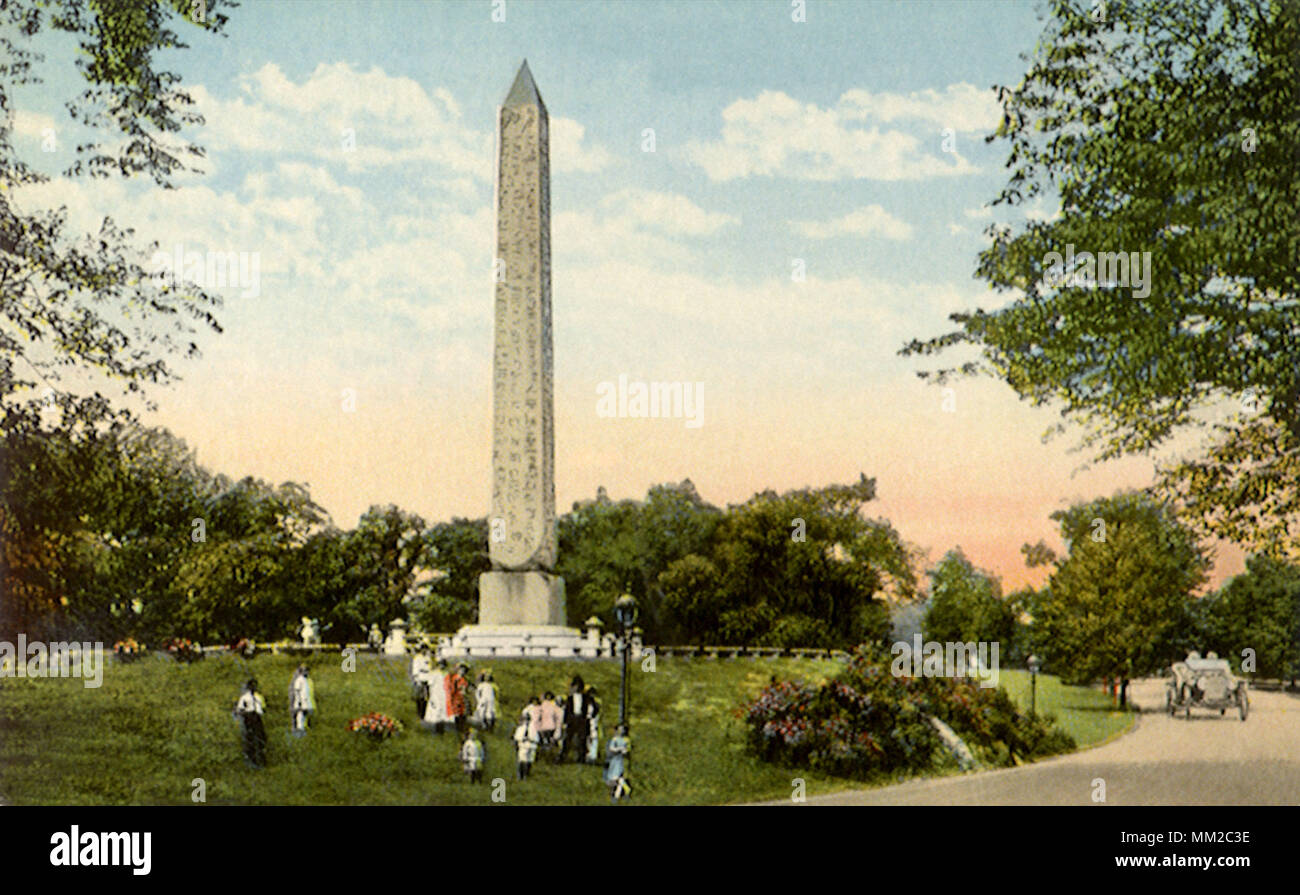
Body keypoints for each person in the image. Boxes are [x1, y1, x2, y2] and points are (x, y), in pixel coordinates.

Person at [233, 678, 267, 768]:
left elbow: (263, 708)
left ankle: (261, 759)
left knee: (261, 738)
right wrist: (246, 715)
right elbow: (239, 710)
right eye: (252, 685)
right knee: (250, 738)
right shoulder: (245, 698)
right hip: (249, 718)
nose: (254, 687)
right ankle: (252, 760)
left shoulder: (259, 697)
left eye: (255, 685)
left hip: (258, 718)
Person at [560, 675, 592, 763]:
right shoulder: (570, 698)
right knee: (567, 739)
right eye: (575, 686)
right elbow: (567, 710)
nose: (576, 688)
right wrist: (565, 722)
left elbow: (592, 708)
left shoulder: (586, 698)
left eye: (579, 686)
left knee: (582, 739)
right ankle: (562, 757)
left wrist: (588, 718)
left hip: (582, 719)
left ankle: (581, 758)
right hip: (572, 719)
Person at [604, 724, 631, 801]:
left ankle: (617, 795)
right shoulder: (615, 739)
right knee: (616, 779)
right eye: (619, 729)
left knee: (619, 778)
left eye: (622, 730)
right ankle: (625, 791)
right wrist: (619, 749)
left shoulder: (626, 739)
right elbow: (611, 748)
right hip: (614, 760)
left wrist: (625, 750)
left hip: (621, 761)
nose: (621, 731)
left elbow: (628, 749)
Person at [288, 665, 315, 736]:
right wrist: (299, 701)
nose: (307, 672)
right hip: (300, 701)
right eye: (305, 671)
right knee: (300, 716)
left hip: (305, 701)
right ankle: (299, 731)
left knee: (304, 716)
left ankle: (303, 730)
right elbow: (297, 691)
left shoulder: (306, 679)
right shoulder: (299, 679)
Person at [423, 659, 449, 732]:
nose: (442, 666)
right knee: (435, 711)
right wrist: (428, 695)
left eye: (443, 665)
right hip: (435, 694)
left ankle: (441, 728)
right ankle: (435, 729)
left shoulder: (446, 674)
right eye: (440, 664)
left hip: (444, 694)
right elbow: (428, 685)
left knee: (443, 712)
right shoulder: (434, 673)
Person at [513, 711, 539, 780]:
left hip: (531, 746)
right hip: (523, 746)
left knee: (529, 760)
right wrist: (522, 739)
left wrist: (531, 739)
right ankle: (521, 775)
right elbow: (517, 737)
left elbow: (536, 738)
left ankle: (527, 774)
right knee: (522, 760)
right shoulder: (521, 727)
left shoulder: (533, 728)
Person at [446, 663, 470, 735]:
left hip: (463, 698)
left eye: (464, 670)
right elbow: (452, 689)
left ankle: (462, 729)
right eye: (461, 670)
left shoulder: (464, 679)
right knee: (457, 714)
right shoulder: (455, 679)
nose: (462, 672)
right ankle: (458, 730)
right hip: (457, 698)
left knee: (463, 715)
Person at [410, 649, 431, 720]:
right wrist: (417, 679)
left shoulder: (428, 657)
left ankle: (424, 713)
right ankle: (419, 713)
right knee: (419, 697)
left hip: (427, 679)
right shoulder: (417, 658)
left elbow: (430, 668)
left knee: (426, 697)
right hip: (420, 678)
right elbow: (415, 669)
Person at [585, 687, 602, 764]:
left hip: (593, 721)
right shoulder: (587, 703)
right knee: (589, 738)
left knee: (593, 738)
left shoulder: (595, 704)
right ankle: (590, 755)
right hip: (589, 721)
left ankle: (593, 756)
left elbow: (597, 714)